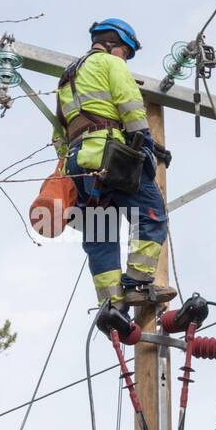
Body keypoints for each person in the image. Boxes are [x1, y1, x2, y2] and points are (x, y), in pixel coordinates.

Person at [53, 18, 174, 320]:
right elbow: (130, 105)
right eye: (126, 52)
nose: (124, 58)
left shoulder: (65, 80)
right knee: (151, 214)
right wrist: (146, 144)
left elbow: (58, 135)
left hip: (78, 166)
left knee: (99, 230)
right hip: (110, 156)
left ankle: (113, 306)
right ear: (114, 43)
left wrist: (73, 161)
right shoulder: (110, 63)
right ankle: (136, 284)